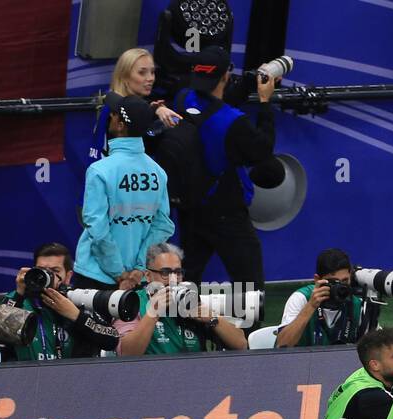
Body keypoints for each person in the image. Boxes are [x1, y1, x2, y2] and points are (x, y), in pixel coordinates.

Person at [170, 46, 277, 294]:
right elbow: (262, 150)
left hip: (190, 208)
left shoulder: (182, 99)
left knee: (188, 280)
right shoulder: (234, 122)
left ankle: (185, 330)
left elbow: (213, 106)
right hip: (226, 212)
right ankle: (247, 332)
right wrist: (264, 101)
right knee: (249, 286)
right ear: (225, 77)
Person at [74, 94, 175, 290]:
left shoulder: (99, 171)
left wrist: (119, 273)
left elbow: (97, 227)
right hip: (137, 279)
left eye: (113, 115)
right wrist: (138, 269)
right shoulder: (158, 173)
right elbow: (163, 226)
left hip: (95, 275)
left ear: (120, 125)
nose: (109, 117)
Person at [115, 242, 248, 354]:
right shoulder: (132, 302)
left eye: (178, 272)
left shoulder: (189, 299)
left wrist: (213, 319)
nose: (173, 280)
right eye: (165, 273)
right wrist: (152, 315)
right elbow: (126, 353)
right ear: (148, 276)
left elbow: (241, 345)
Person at [0, 243, 119, 363]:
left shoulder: (77, 301)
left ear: (68, 276)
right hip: (25, 378)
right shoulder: (19, 299)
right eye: (42, 270)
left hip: (72, 379)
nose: (48, 276)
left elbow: (112, 339)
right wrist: (18, 294)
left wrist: (76, 316)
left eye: (55, 271)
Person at [88, 48, 181, 164]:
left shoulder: (143, 104)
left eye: (152, 72)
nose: (150, 78)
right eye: (142, 73)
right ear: (124, 75)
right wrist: (155, 110)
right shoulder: (113, 109)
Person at [276, 249, 380, 348]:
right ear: (317, 279)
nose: (340, 288)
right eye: (333, 282)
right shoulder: (301, 299)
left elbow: (376, 350)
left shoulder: (357, 306)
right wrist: (311, 306)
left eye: (345, 281)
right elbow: (282, 345)